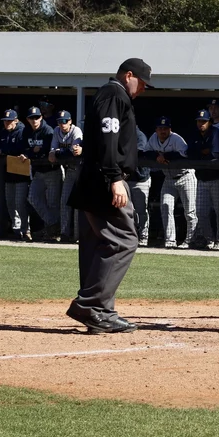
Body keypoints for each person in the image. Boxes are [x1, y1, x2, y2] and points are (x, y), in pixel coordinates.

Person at [65, 57, 153, 334]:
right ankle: (91, 305)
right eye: (142, 82)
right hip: (105, 178)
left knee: (97, 244)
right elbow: (108, 139)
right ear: (129, 75)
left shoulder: (109, 93)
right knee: (124, 240)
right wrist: (115, 178)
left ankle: (99, 312)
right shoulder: (115, 93)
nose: (144, 89)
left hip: (95, 177)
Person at [146, 116, 197, 249]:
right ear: (156, 130)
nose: (163, 131)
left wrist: (166, 156)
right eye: (160, 128)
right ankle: (170, 241)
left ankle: (190, 240)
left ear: (170, 129)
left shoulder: (177, 139)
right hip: (168, 178)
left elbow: (185, 154)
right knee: (165, 206)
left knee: (190, 212)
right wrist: (157, 156)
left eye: (165, 128)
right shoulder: (153, 138)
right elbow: (145, 152)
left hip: (185, 176)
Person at [188, 109, 219, 250]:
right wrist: (202, 150)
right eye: (199, 121)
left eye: (204, 121)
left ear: (209, 122)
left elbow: (214, 153)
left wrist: (200, 151)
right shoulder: (195, 134)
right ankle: (209, 239)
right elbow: (190, 152)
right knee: (200, 211)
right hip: (202, 178)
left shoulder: (216, 133)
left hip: (218, 178)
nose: (201, 124)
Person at [0, 109, 30, 241]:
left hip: (21, 174)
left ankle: (25, 229)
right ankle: (16, 230)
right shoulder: (2, 133)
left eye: (10, 121)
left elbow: (22, 149)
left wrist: (3, 151)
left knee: (20, 203)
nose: (7, 123)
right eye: (5, 121)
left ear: (16, 120)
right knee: (10, 204)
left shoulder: (23, 131)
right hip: (8, 174)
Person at [24, 106, 61, 242]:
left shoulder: (48, 130)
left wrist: (37, 151)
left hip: (52, 171)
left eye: (37, 117)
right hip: (38, 172)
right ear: (27, 120)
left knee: (52, 203)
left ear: (41, 117)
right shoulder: (27, 131)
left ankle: (53, 233)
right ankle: (53, 225)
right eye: (31, 118)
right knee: (32, 198)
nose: (34, 121)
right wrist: (32, 152)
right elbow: (25, 148)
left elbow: (48, 150)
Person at [50, 110, 84, 243]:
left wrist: (58, 152)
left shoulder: (76, 131)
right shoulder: (56, 131)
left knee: (77, 205)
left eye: (64, 121)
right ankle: (64, 233)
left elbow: (74, 152)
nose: (62, 124)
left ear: (70, 121)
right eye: (60, 121)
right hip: (70, 170)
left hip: (81, 170)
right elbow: (52, 152)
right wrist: (56, 152)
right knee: (64, 201)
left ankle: (78, 235)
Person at [131, 128, 153, 247]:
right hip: (127, 179)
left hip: (141, 178)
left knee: (141, 210)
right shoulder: (121, 134)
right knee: (127, 211)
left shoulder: (140, 136)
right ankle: (131, 235)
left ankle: (144, 236)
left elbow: (138, 153)